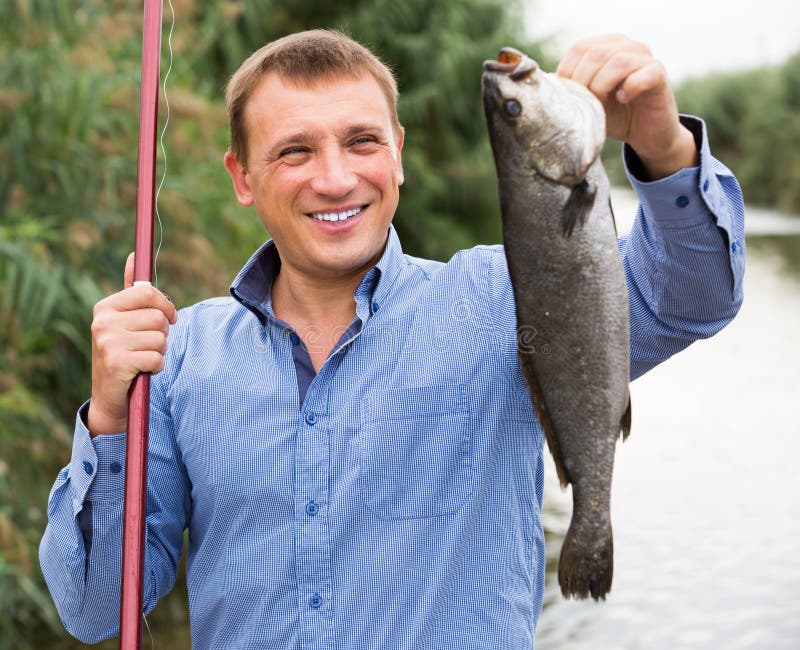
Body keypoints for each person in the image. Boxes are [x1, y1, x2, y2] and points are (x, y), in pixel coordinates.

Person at [40, 29, 744, 649]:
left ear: (398, 154)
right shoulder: (175, 354)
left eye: (362, 141)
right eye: (294, 151)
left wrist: (664, 149)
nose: (335, 178)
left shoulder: (505, 297)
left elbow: (690, 300)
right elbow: (97, 608)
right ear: (242, 177)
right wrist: (109, 416)